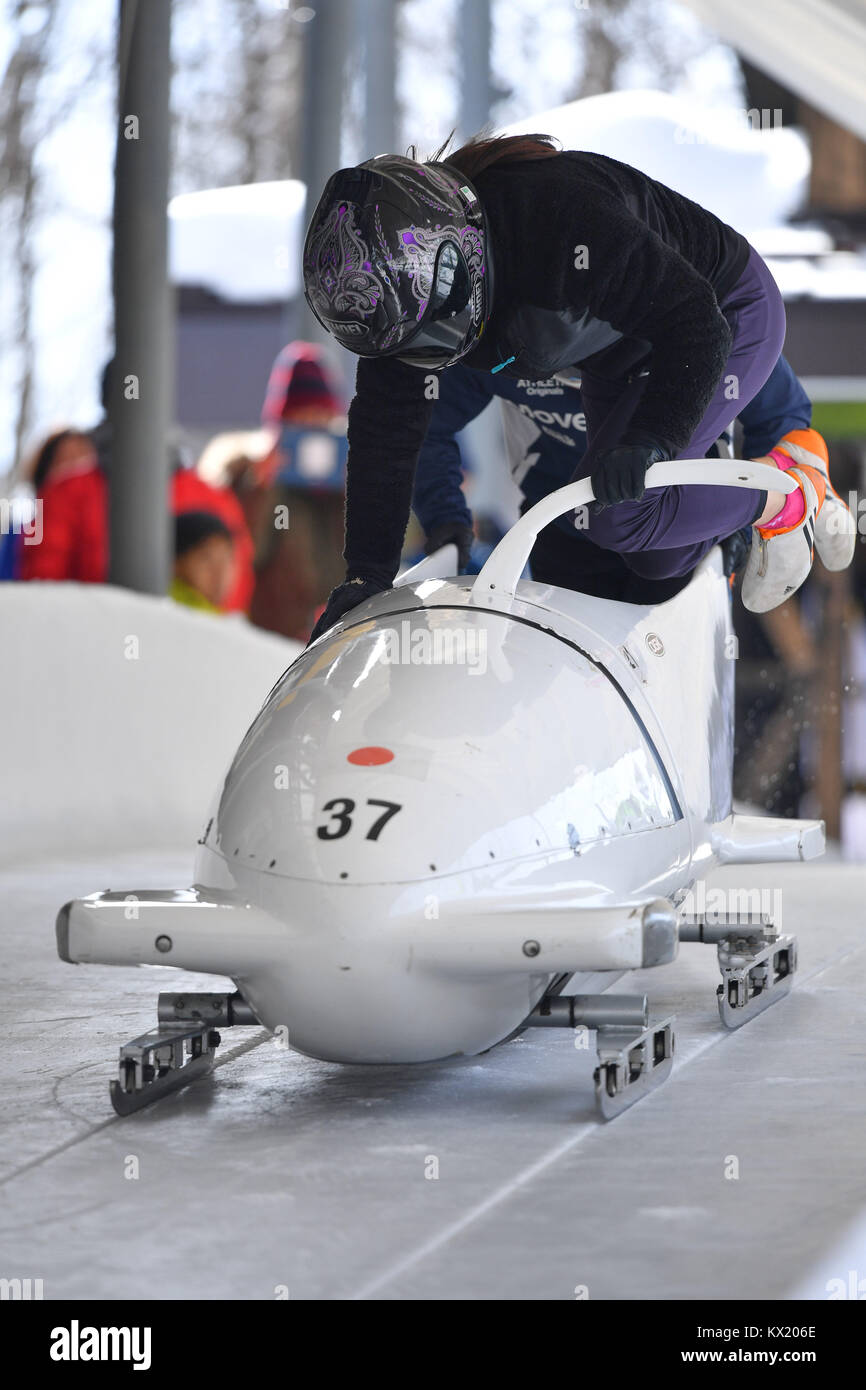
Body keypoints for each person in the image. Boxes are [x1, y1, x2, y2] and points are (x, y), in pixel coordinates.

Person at [301, 134, 856, 641]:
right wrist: (367, 575)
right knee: (655, 556)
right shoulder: (394, 312)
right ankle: (747, 496)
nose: (426, 351)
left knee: (622, 516)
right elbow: (387, 436)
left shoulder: (559, 217)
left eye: (435, 327)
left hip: (719, 311)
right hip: (622, 359)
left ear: (458, 247)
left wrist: (652, 438)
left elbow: (697, 324)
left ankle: (789, 489)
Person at [411, 352, 825, 604]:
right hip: (564, 530)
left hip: (680, 528)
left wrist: (737, 522)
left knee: (660, 573)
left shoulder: (687, 315)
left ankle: (792, 502)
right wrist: (446, 518)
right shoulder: (499, 351)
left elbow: (781, 415)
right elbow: (427, 424)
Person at [170, 510, 235, 613]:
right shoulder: (171, 608)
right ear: (176, 563)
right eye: (207, 559)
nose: (220, 573)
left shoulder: (219, 618)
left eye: (227, 561)